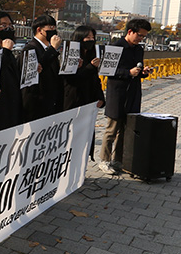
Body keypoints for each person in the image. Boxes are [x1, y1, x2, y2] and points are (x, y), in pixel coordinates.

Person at [98, 18, 152, 174]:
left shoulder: (138, 49)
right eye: (140, 35)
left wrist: (143, 73)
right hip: (117, 93)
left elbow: (137, 71)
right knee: (111, 129)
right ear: (130, 31)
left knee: (126, 129)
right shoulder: (115, 48)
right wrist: (128, 73)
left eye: (143, 36)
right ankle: (104, 160)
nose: (141, 39)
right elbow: (106, 71)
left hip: (133, 93)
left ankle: (118, 160)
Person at [19, 14, 62, 122]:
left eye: (54, 28)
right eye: (50, 28)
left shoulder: (48, 50)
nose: (53, 32)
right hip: (35, 105)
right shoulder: (30, 49)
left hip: (50, 104)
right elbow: (36, 69)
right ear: (39, 30)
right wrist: (52, 49)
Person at [63, 25, 105, 111]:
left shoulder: (92, 55)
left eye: (92, 37)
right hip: (73, 100)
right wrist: (90, 67)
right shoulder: (72, 54)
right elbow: (71, 80)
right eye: (88, 37)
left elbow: (95, 79)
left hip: (88, 100)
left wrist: (100, 97)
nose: (91, 40)